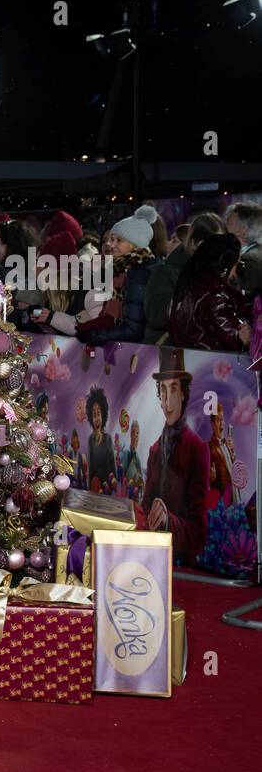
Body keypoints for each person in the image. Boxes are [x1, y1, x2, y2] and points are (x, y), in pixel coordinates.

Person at [143, 349, 210, 561]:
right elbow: (146, 509)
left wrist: (167, 521)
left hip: (184, 568)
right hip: (153, 558)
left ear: (183, 393)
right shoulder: (154, 451)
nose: (167, 401)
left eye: (173, 389)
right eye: (163, 390)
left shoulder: (197, 448)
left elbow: (199, 535)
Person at [77, 206, 159, 343]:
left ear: (136, 245)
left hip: (135, 351)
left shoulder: (138, 274)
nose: (110, 244)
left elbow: (134, 328)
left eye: (118, 240)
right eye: (111, 239)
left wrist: (95, 335)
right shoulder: (121, 269)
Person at [144, 211, 224, 344]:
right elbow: (155, 315)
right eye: (210, 244)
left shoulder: (222, 274)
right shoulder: (165, 272)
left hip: (210, 356)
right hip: (169, 355)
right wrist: (192, 299)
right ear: (193, 243)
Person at [168, 233, 248, 352]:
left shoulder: (188, 283)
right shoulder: (216, 293)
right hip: (212, 363)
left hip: (187, 361)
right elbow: (230, 337)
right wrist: (244, 336)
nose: (235, 272)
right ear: (225, 266)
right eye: (237, 264)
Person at [225, 202, 262, 301]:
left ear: (242, 230)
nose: (224, 227)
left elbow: (241, 301)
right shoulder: (256, 254)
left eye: (228, 222)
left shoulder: (248, 262)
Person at [84, 385, 117, 493]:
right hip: (96, 491)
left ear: (103, 415)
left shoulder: (108, 439)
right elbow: (90, 468)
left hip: (109, 489)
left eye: (98, 414)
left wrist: (114, 483)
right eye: (94, 415)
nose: (97, 418)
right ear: (91, 418)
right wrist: (90, 488)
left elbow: (113, 466)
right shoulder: (90, 441)